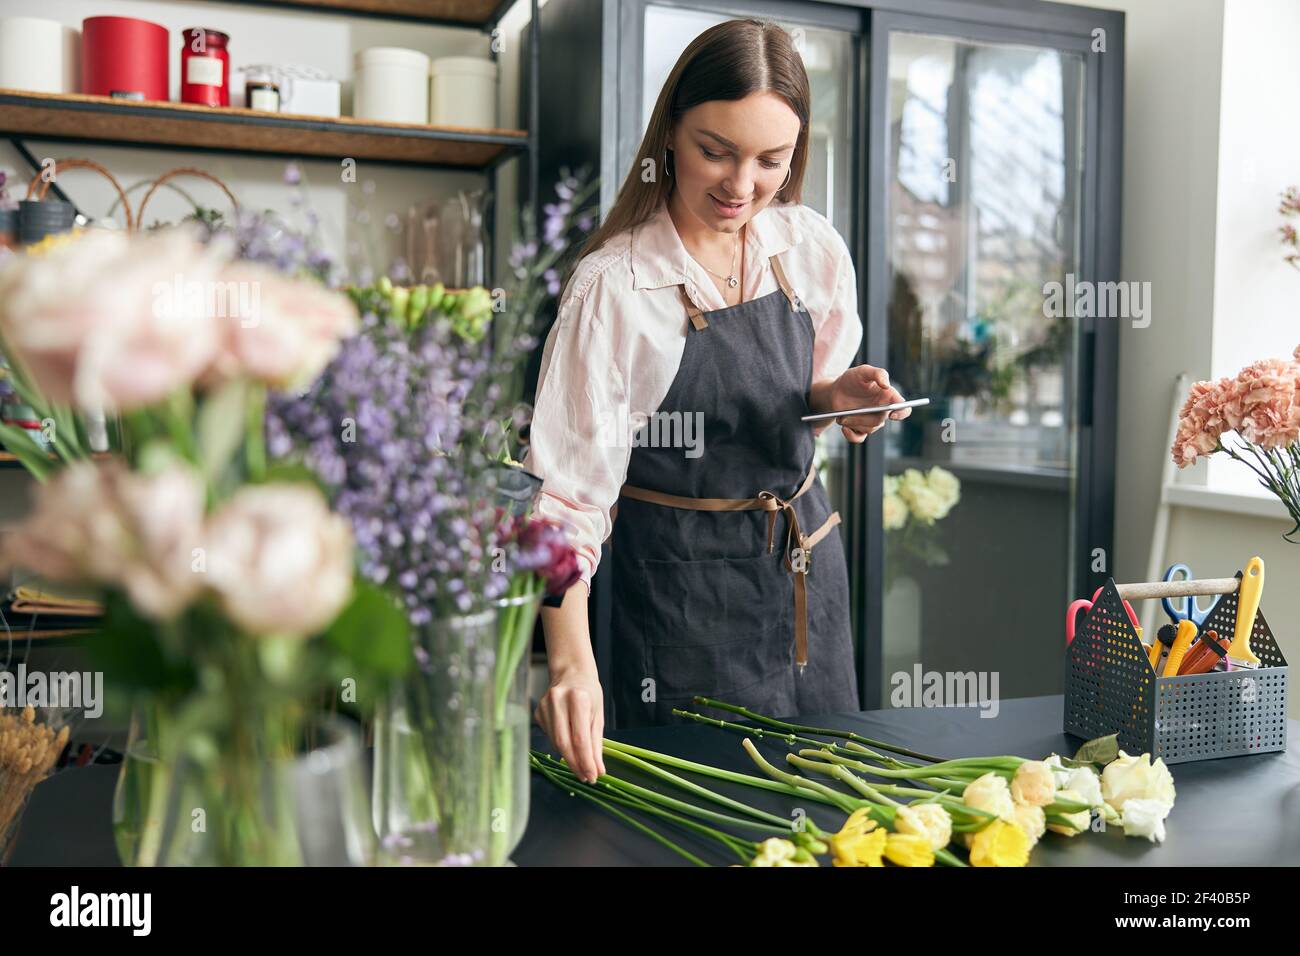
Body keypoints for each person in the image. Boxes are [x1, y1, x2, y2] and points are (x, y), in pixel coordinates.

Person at [524, 18, 911, 782]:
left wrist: (845, 397)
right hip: (679, 596)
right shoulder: (617, 287)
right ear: (670, 132)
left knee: (832, 805)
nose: (742, 186)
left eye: (772, 159)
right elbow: (562, 504)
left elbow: (806, 396)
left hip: (804, 576)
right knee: (702, 817)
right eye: (716, 151)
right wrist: (571, 665)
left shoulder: (810, 248)